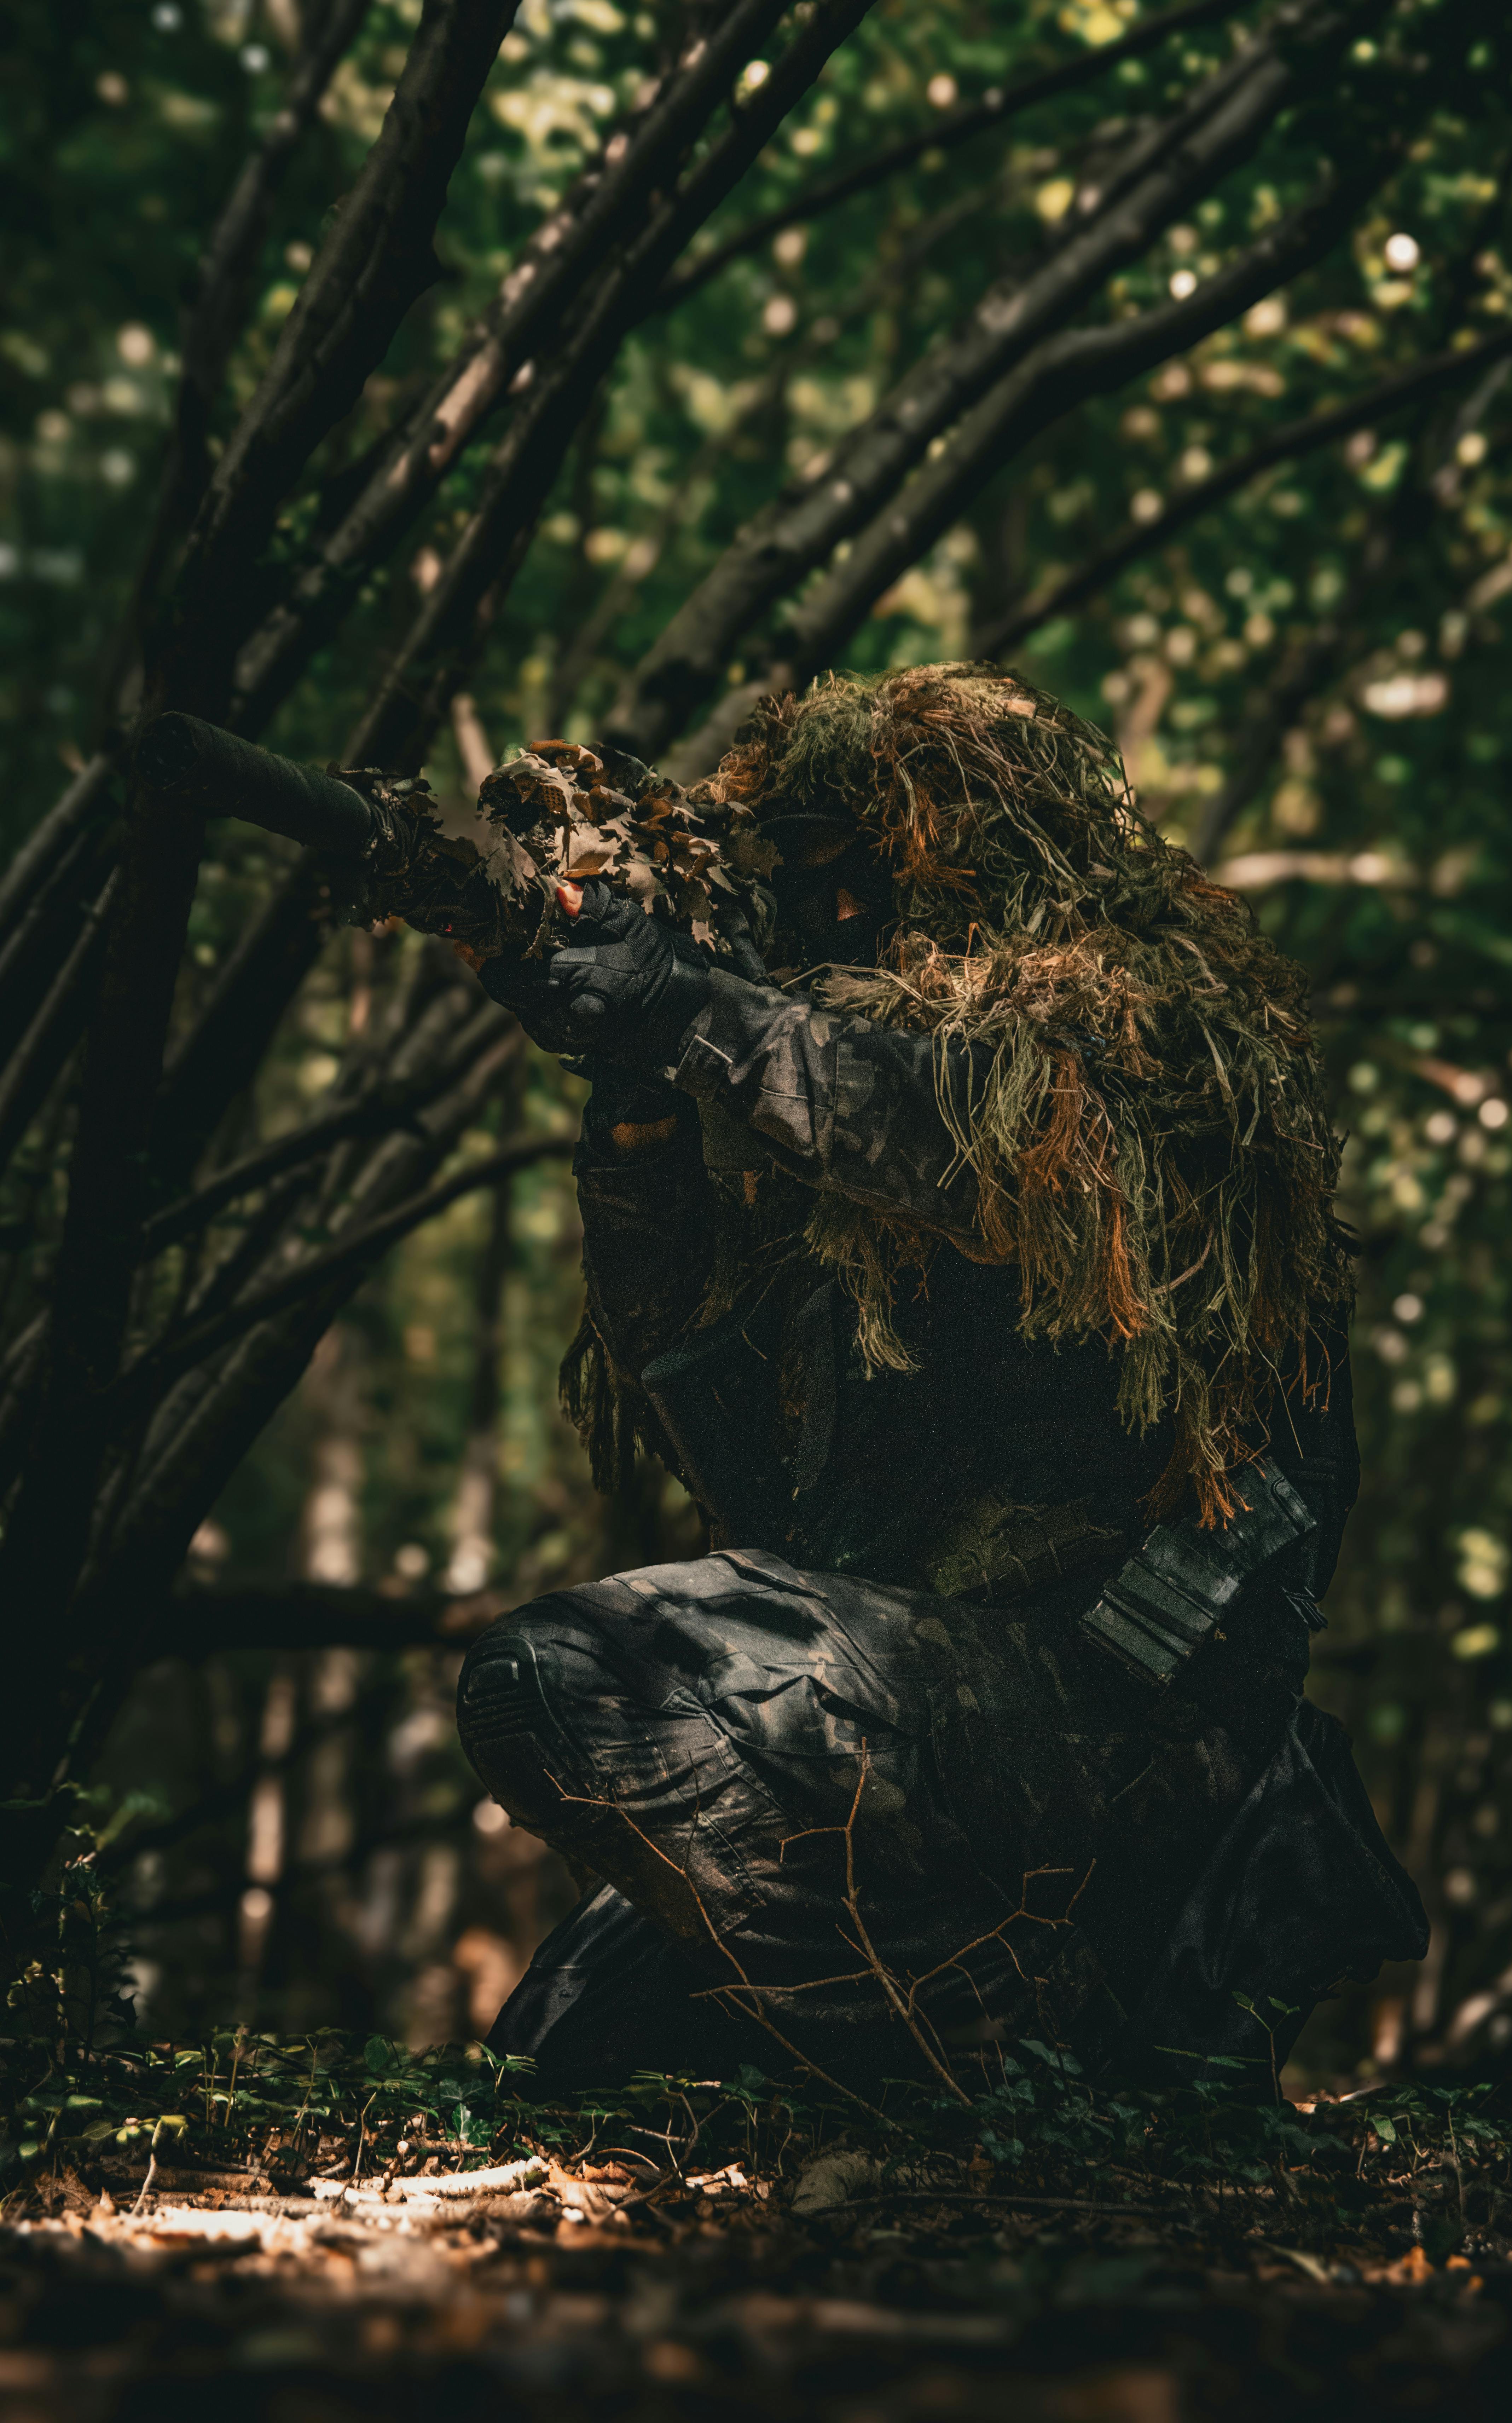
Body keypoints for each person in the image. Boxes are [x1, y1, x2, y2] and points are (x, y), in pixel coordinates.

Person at [457, 662, 1426, 2091]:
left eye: (865, 875)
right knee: (570, 2047)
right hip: (924, 1723)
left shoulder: (1142, 1028)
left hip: (1128, 1723)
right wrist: (639, 1122)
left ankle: (1000, 2063)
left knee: (568, 1682)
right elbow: (721, 1444)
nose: (834, 919)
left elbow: (991, 1155)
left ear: (989, 855)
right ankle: (1013, 2019)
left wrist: (687, 1007)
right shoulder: (830, 1158)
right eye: (804, 885)